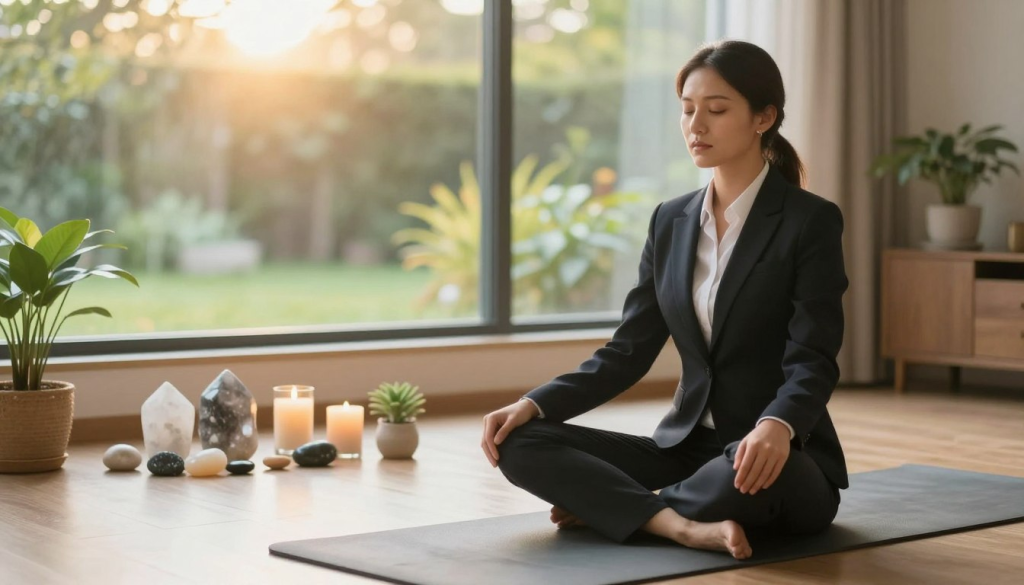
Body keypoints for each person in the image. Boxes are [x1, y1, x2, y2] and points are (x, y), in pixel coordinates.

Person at [480, 39, 849, 561]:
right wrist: (534, 403)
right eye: (687, 109)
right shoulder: (671, 220)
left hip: (774, 452)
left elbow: (813, 356)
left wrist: (778, 424)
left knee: (760, 472)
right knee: (518, 441)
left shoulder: (809, 221)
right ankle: (680, 525)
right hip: (684, 451)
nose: (696, 126)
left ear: (763, 118)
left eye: (716, 110)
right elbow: (628, 351)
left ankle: (623, 507)